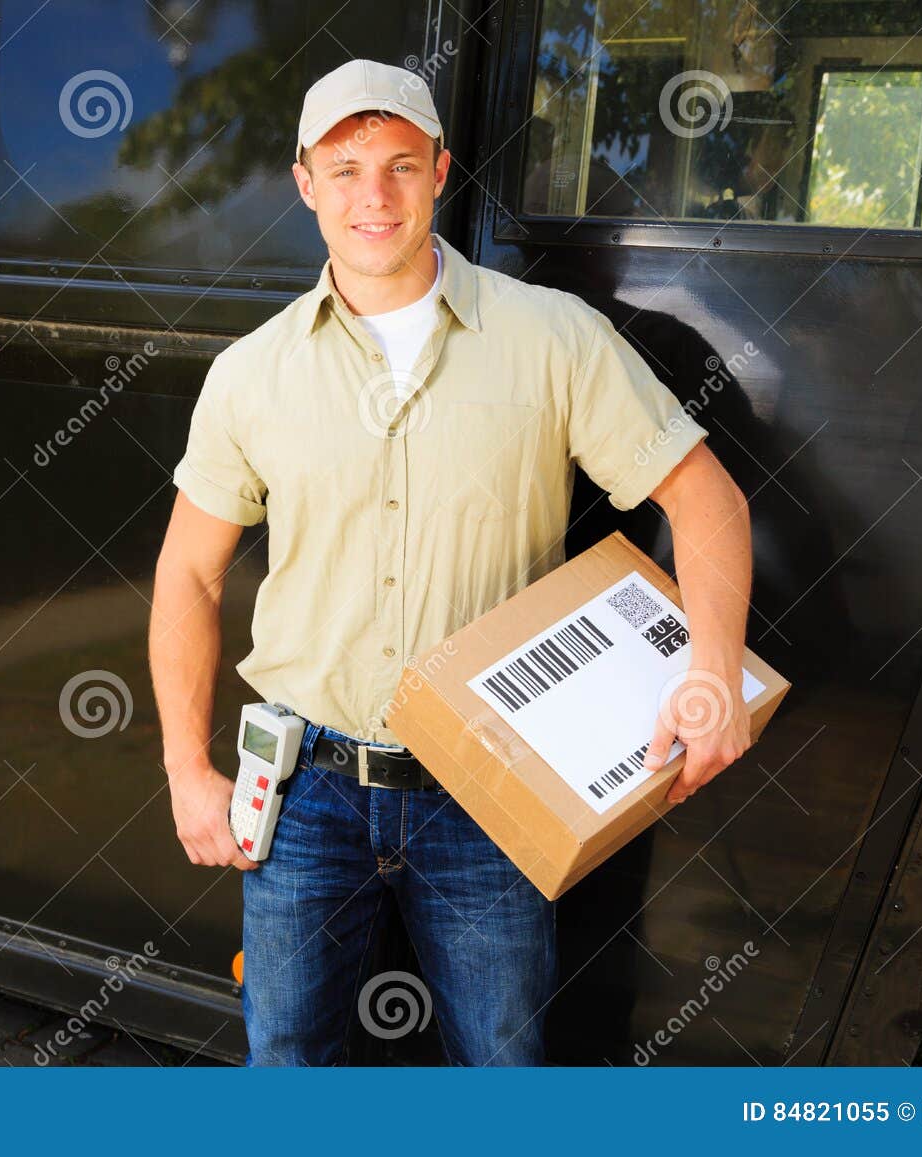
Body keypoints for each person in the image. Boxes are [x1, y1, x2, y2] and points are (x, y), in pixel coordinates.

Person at [148, 58, 754, 1065]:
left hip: (492, 785)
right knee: (288, 1061)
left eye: (397, 166)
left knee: (503, 1061)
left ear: (440, 171)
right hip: (304, 794)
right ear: (305, 184)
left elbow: (706, 499)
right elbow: (188, 575)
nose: (371, 196)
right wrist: (183, 767)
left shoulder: (553, 338)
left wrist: (712, 672)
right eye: (343, 171)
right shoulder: (250, 373)